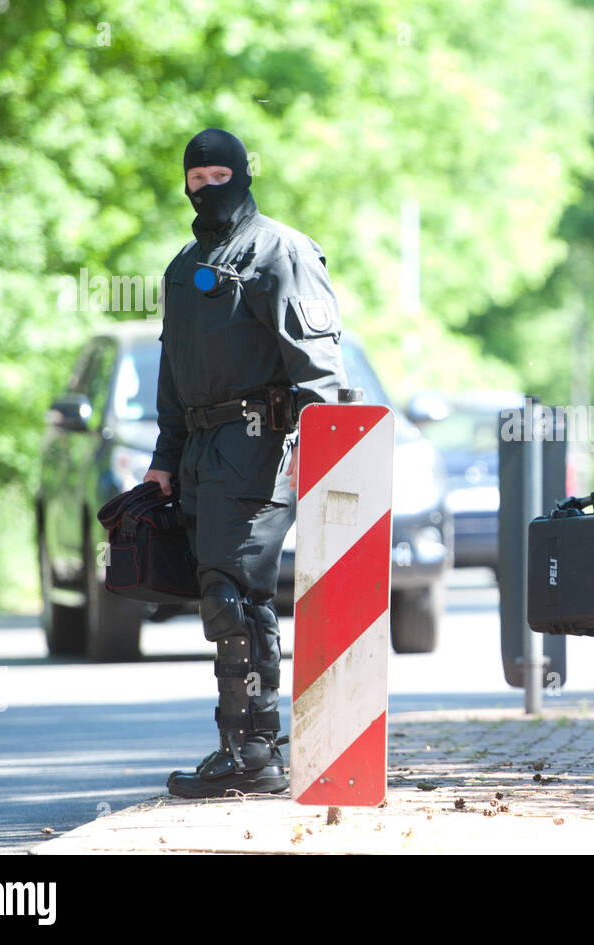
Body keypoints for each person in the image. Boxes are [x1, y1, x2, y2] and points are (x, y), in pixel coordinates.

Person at [143, 128, 347, 798]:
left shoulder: (278, 252)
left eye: (218, 174)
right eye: (196, 176)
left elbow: (319, 370)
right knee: (228, 594)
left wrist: (331, 464)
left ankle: (252, 750)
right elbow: (173, 377)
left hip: (262, 446)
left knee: (231, 596)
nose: (207, 187)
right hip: (203, 454)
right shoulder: (181, 267)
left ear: (243, 174)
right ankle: (248, 748)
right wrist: (164, 461)